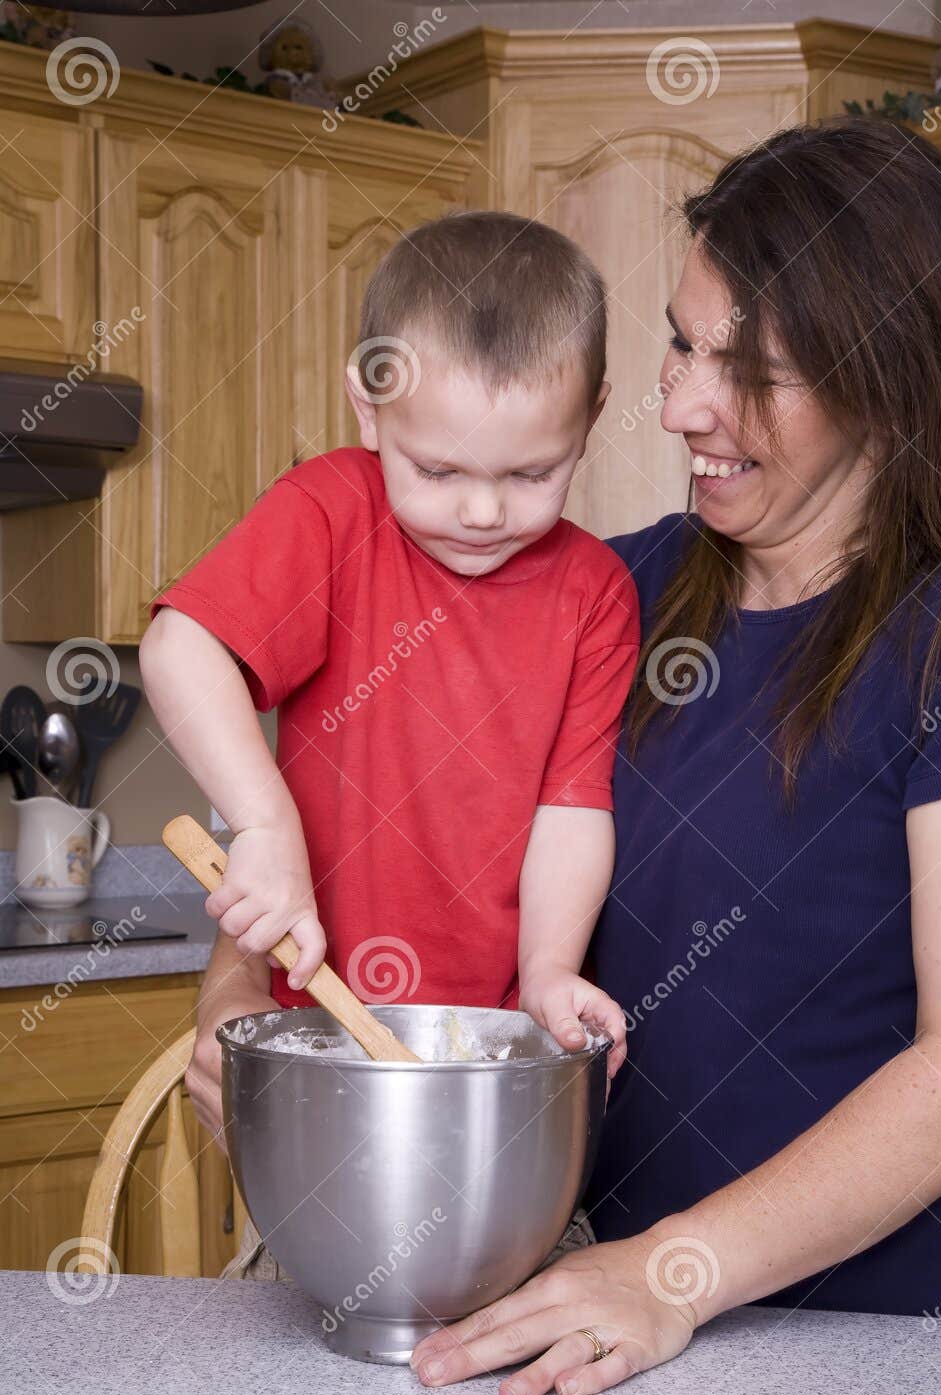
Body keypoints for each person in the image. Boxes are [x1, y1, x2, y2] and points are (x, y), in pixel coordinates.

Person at [407, 116, 941, 1395]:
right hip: (599, 1333)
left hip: (885, 1360)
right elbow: (386, 796)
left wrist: (670, 1272)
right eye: (679, 340)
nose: (679, 406)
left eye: (750, 371)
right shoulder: (616, 589)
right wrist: (232, 996)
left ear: (888, 379)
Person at [140, 211, 639, 1275]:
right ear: (365, 404)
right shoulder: (330, 511)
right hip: (316, 1059)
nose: (480, 510)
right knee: (320, 1329)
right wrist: (266, 825)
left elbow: (571, 807)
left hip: (497, 1078)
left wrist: (549, 969)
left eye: (530, 474)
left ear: (592, 419)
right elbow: (183, 647)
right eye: (438, 468)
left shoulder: (596, 592)